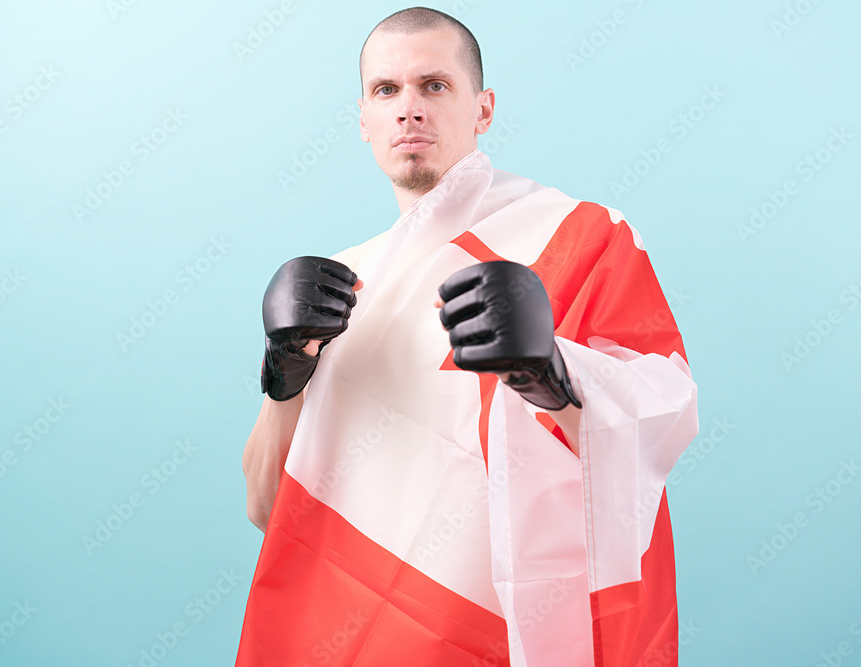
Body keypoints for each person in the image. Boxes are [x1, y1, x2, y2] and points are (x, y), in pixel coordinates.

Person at [238, 7, 698, 666]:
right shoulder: (341, 288)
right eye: (386, 90)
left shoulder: (575, 238)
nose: (409, 109)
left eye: (434, 85)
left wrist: (553, 371)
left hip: (501, 637)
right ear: (363, 120)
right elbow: (267, 508)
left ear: (482, 109)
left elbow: (666, 418)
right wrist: (282, 374)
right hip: (350, 639)